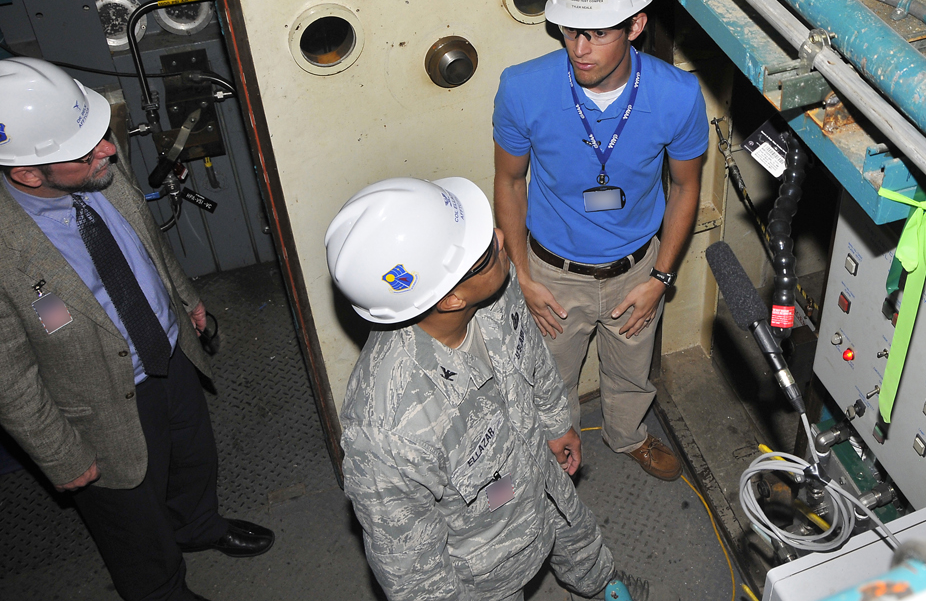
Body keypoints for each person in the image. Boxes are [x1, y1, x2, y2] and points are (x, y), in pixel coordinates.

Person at [0, 57, 274, 601]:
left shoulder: (94, 157)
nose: (109, 149)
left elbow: (146, 239)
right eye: (88, 149)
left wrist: (185, 300)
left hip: (167, 350)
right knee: (132, 521)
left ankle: (198, 526)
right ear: (28, 173)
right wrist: (59, 454)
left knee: (193, 456)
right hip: (94, 402)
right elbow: (9, 379)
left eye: (101, 135)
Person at [329, 175, 631, 601]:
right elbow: (416, 579)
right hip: (489, 570)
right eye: (485, 252)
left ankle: (600, 583)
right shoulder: (387, 431)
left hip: (547, 486)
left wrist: (555, 423)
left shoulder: (494, 289)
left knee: (577, 532)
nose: (503, 239)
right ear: (450, 299)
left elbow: (533, 357)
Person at [493, 0, 708, 481]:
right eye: (569, 31)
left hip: (636, 269)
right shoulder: (522, 89)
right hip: (551, 274)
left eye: (596, 34)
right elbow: (509, 181)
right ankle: (551, 453)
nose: (579, 49)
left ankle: (627, 436)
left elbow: (686, 188)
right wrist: (522, 275)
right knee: (550, 378)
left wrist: (661, 277)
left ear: (635, 26)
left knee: (632, 373)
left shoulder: (678, 95)